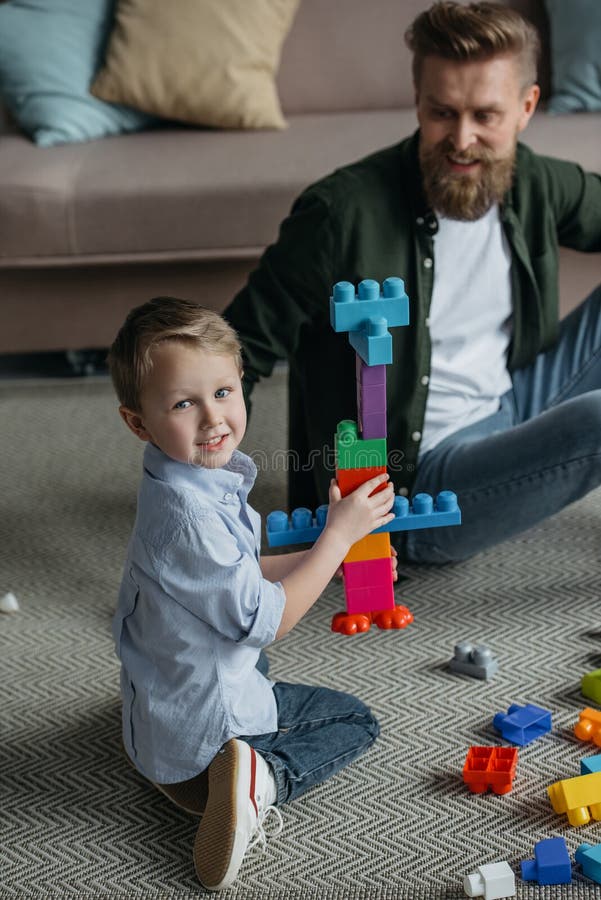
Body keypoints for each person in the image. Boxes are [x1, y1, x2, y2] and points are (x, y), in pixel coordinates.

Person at [223, 1, 601, 565]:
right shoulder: (339, 214)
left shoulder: (537, 183)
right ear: (417, 101)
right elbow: (235, 350)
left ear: (526, 108)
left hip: (513, 398)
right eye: (442, 113)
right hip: (412, 487)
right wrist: (207, 496)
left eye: (486, 116)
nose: (463, 139)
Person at [107, 297, 396, 890]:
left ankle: (193, 763)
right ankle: (258, 777)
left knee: (254, 651)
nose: (213, 419)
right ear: (138, 421)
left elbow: (236, 574)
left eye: (221, 393)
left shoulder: (174, 482)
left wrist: (325, 561)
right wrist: (337, 538)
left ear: (242, 382)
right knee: (357, 719)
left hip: (156, 721)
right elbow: (269, 622)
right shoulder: (192, 518)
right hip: (204, 728)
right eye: (184, 403)